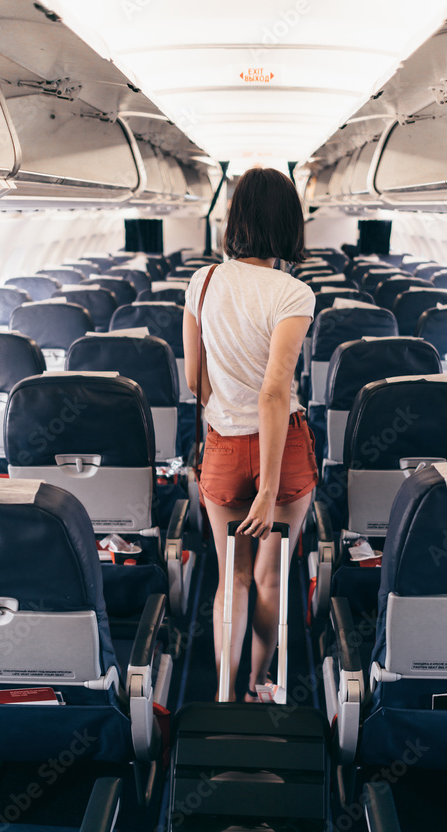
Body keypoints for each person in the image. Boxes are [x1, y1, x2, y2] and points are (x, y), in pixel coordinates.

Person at [183, 167, 318, 701]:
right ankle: (262, 684)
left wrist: (226, 411)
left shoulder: (204, 281)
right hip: (281, 456)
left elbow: (195, 381)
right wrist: (266, 489)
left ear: (235, 219)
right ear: (290, 224)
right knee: (270, 578)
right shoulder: (293, 294)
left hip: (221, 448)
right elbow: (275, 393)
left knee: (230, 577)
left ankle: (222, 693)